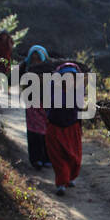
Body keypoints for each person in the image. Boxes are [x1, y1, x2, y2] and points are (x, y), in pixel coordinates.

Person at [45, 61, 85, 196]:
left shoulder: (77, 91)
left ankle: (70, 177)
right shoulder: (52, 90)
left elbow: (79, 111)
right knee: (58, 157)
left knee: (74, 156)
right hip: (55, 127)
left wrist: (80, 126)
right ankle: (62, 183)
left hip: (71, 128)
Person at [20, 45, 52, 170]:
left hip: (47, 104)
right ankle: (36, 159)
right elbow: (11, 79)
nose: (35, 61)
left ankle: (47, 158)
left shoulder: (50, 69)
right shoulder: (25, 68)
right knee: (34, 132)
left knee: (47, 133)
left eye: (38, 58)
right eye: (33, 59)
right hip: (32, 104)